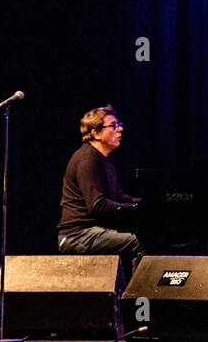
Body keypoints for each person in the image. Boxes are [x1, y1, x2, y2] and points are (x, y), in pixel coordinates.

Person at [57, 105, 145, 278]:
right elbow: (97, 205)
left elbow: (117, 196)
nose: (121, 129)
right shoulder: (87, 159)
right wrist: (134, 209)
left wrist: (143, 204)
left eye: (118, 124)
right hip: (77, 234)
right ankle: (137, 300)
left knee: (143, 235)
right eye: (113, 126)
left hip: (92, 231)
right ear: (96, 133)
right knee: (138, 241)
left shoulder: (103, 160)